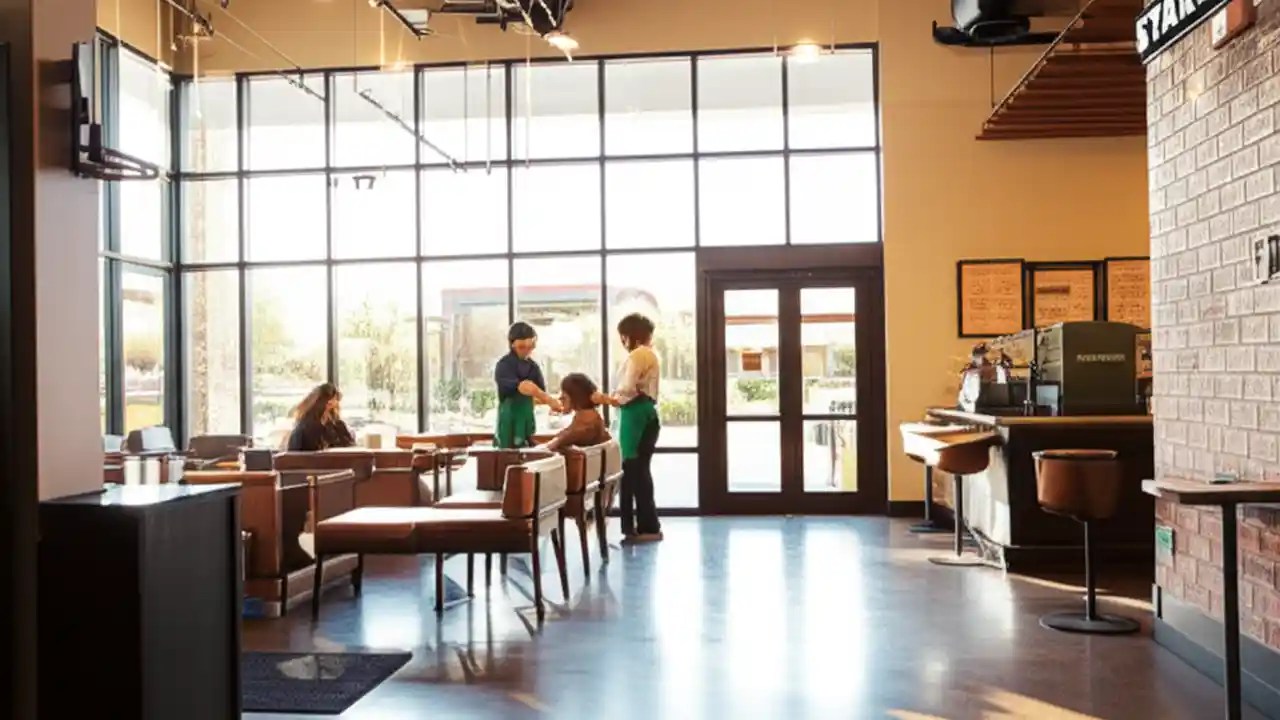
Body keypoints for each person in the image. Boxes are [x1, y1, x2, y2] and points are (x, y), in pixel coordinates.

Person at [594, 313, 662, 543]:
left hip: (635, 414)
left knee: (631, 471)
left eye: (623, 336)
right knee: (640, 471)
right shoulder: (649, 354)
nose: (622, 341)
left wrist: (605, 398)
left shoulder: (637, 355)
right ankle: (646, 526)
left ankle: (638, 529)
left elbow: (627, 389)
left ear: (630, 336)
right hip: (645, 414)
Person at [494, 321, 562, 448]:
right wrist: (549, 400)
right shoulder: (504, 365)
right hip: (508, 423)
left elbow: (538, 395)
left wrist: (555, 403)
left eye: (530, 347)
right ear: (512, 344)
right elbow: (525, 387)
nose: (526, 350)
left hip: (526, 421)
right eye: (522, 347)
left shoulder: (533, 367)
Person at [539, 373, 611, 452]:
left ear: (576, 396)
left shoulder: (582, 429)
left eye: (564, 393)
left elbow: (549, 448)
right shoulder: (592, 419)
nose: (560, 397)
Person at [286, 383, 356, 451]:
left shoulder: (338, 426)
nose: (327, 411)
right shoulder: (303, 429)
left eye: (332, 405)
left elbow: (350, 449)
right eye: (328, 404)